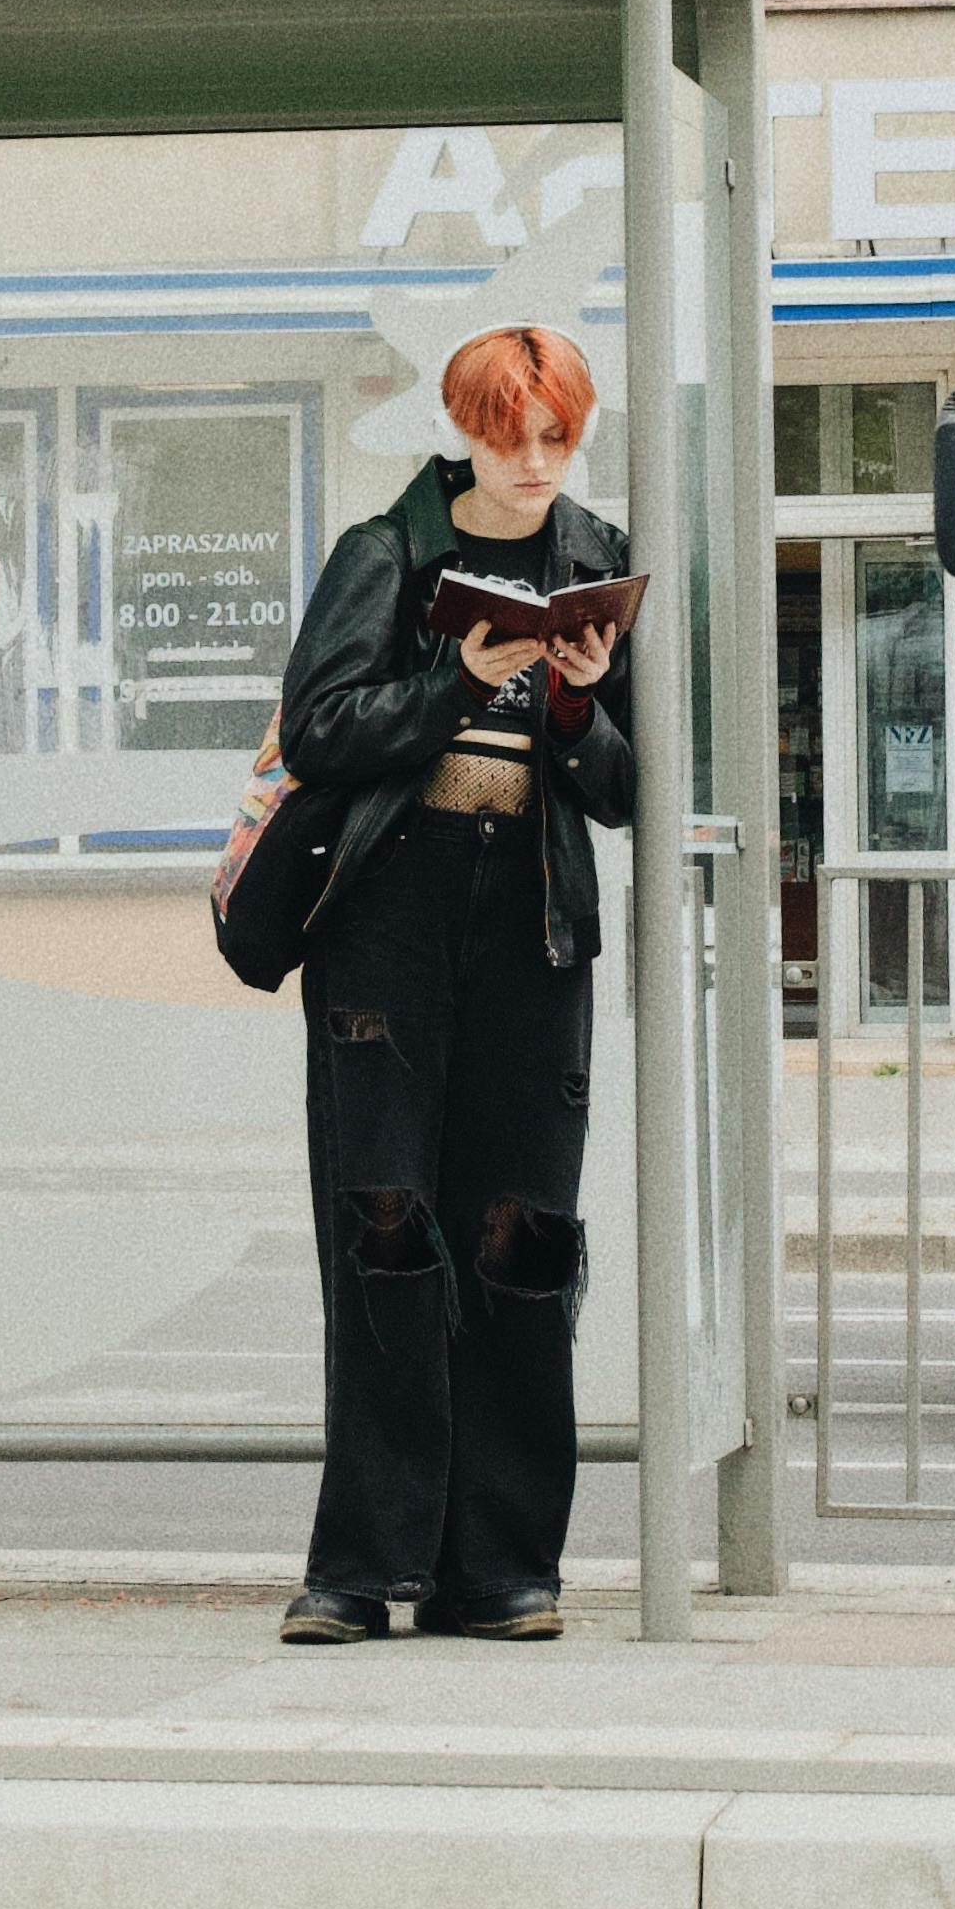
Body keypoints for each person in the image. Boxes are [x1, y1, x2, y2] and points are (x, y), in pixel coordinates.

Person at [270, 321, 635, 1648]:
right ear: (465, 425)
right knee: (385, 1234)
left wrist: (580, 706)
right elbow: (318, 731)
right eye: (508, 432)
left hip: (531, 937)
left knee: (519, 1244)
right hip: (389, 928)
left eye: (555, 434)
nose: (533, 459)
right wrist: (456, 677)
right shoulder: (386, 552)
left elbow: (632, 789)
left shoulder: (596, 563)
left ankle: (501, 1568)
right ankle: (361, 1568)